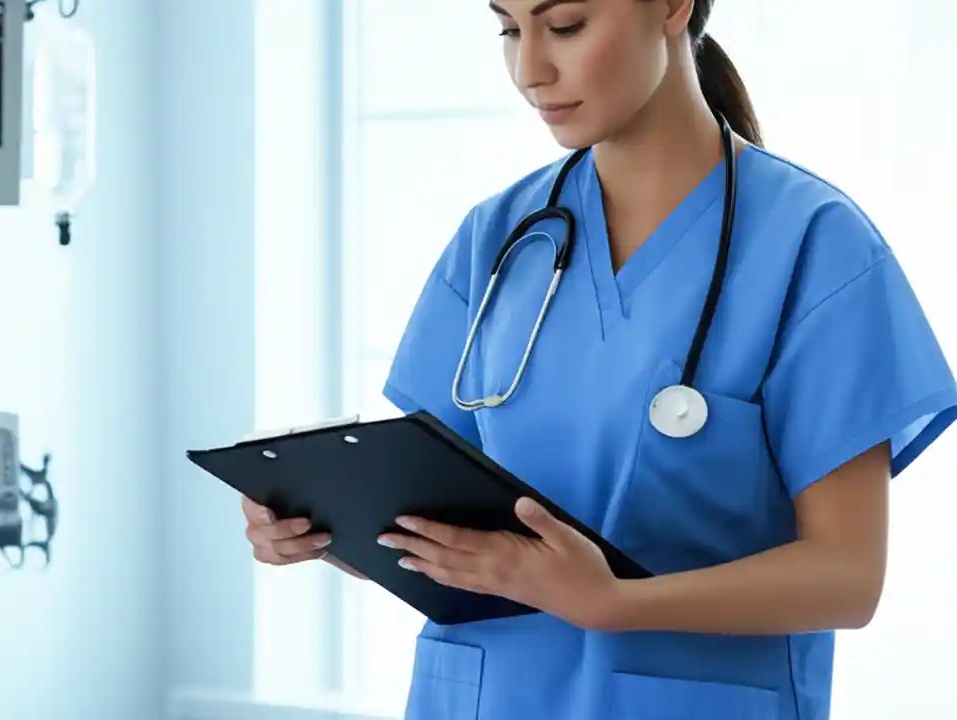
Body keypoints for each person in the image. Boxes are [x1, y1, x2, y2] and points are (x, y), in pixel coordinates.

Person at [242, 0, 957, 717]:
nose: (530, 69)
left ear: (672, 8)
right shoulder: (497, 240)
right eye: (509, 30)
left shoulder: (814, 243)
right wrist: (326, 526)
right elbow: (432, 528)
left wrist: (615, 603)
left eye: (565, 26)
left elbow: (846, 577)